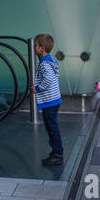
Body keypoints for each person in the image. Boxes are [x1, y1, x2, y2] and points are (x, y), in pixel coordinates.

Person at [33, 33, 63, 166]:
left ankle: (57, 154)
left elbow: (49, 79)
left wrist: (37, 88)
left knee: (52, 127)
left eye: (35, 45)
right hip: (54, 100)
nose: (33, 47)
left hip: (49, 102)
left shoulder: (45, 65)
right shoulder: (50, 61)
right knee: (52, 126)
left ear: (42, 49)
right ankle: (56, 152)